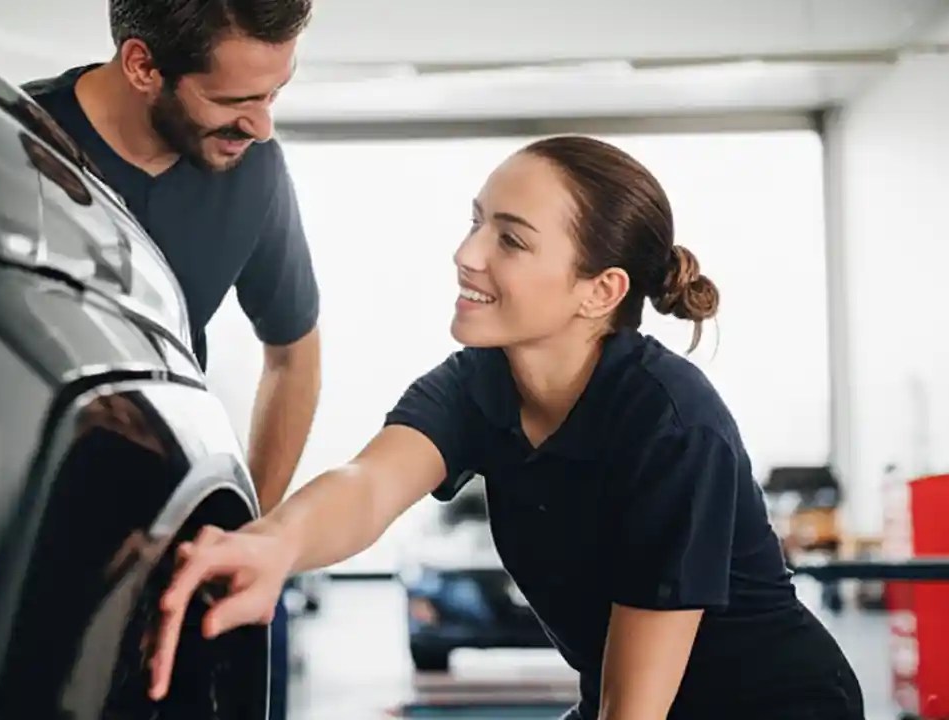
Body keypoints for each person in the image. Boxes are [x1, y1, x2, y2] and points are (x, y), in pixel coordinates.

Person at [146, 135, 867, 719]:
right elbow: (370, 485)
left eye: (511, 240)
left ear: (600, 290)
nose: (468, 253)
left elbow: (634, 708)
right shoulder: (477, 382)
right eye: (475, 220)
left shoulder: (671, 424)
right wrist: (275, 543)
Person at [21, 2, 320, 717]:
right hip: (25, 545)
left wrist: (249, 533)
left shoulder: (256, 171)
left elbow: (294, 355)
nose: (262, 124)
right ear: (143, 65)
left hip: (170, 533)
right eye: (234, 100)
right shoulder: (13, 144)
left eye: (274, 94)